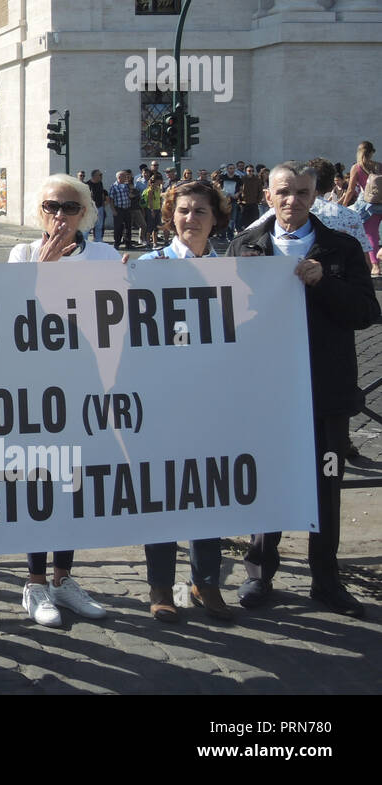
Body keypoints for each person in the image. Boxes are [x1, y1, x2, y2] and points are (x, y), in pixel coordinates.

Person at [227, 162, 380, 617]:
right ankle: (260, 573)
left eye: (302, 192)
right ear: (267, 196)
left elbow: (366, 312)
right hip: (265, 394)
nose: (292, 200)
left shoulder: (342, 248)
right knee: (268, 481)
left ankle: (326, 579)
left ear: (316, 196)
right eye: (283, 192)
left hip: (324, 395)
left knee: (326, 485)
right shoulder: (244, 246)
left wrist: (324, 282)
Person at [7, 175, 119, 627]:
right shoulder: (22, 255)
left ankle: (63, 578)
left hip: (87, 383)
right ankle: (34, 583)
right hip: (37, 387)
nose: (60, 216)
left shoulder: (106, 256)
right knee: (40, 478)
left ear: (85, 214)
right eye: (52, 206)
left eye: (70, 208)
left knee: (72, 479)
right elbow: (12, 317)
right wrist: (42, 272)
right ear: (40, 212)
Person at [138, 180, 234, 622]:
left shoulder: (235, 272)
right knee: (162, 491)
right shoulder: (145, 266)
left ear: (216, 218)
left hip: (212, 398)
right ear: (169, 217)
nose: (190, 219)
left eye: (200, 211)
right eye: (182, 211)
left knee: (208, 488)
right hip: (160, 398)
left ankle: (206, 581)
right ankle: (160, 585)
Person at [343, 141, 380, 207]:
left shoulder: (356, 168)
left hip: (364, 202)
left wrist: (344, 203)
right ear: (372, 152)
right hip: (379, 201)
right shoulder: (379, 166)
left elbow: (350, 190)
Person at [108, 169, 137, 249]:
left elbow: (131, 196)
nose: (126, 177)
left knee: (128, 227)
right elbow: (110, 200)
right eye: (124, 176)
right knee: (118, 227)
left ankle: (128, 243)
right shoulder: (114, 186)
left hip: (127, 209)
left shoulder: (127, 185)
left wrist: (132, 189)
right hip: (118, 209)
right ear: (119, 177)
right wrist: (113, 210)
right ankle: (117, 243)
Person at [87, 169, 107, 241]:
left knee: (99, 226)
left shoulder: (100, 183)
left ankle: (98, 241)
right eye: (100, 175)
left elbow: (102, 194)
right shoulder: (88, 185)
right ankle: (85, 241)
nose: (102, 176)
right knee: (88, 226)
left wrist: (103, 205)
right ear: (94, 176)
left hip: (100, 207)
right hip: (91, 208)